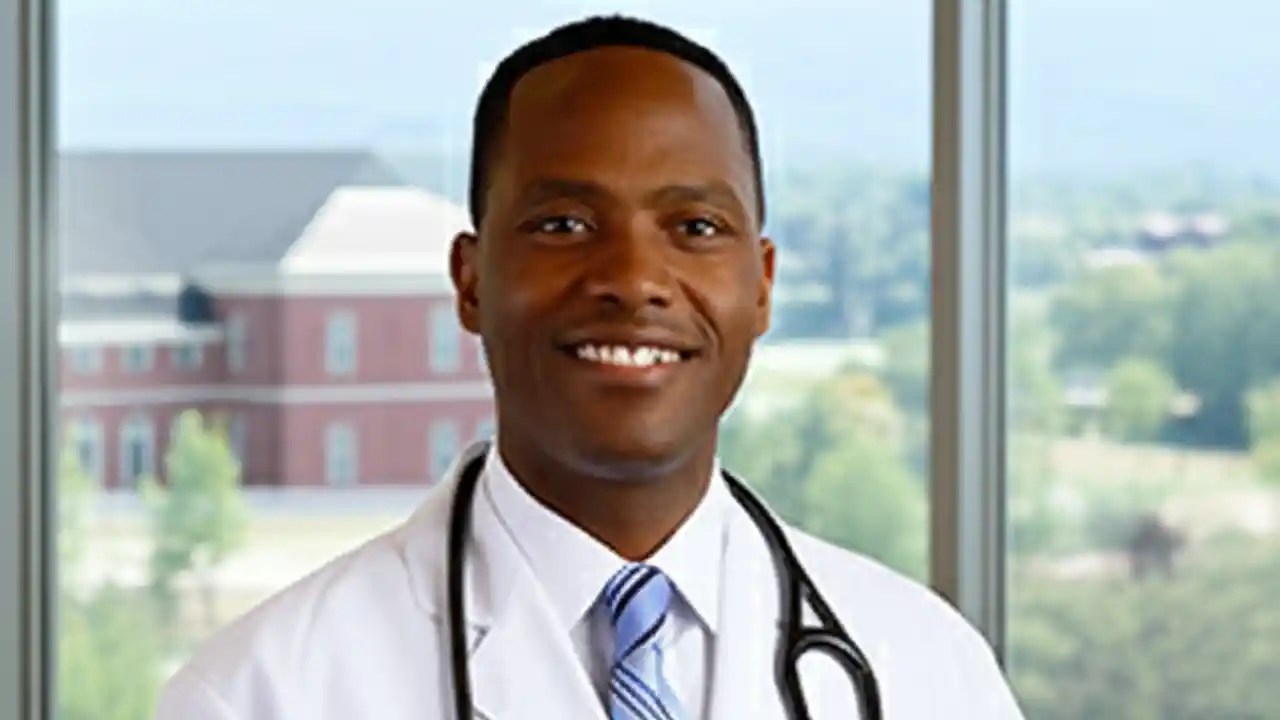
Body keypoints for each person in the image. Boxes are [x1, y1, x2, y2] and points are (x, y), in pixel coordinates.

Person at [156, 15, 1025, 719]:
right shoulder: (263, 693)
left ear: (762, 286)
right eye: (565, 225)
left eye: (695, 228)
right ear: (470, 280)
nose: (634, 280)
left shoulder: (924, 670)